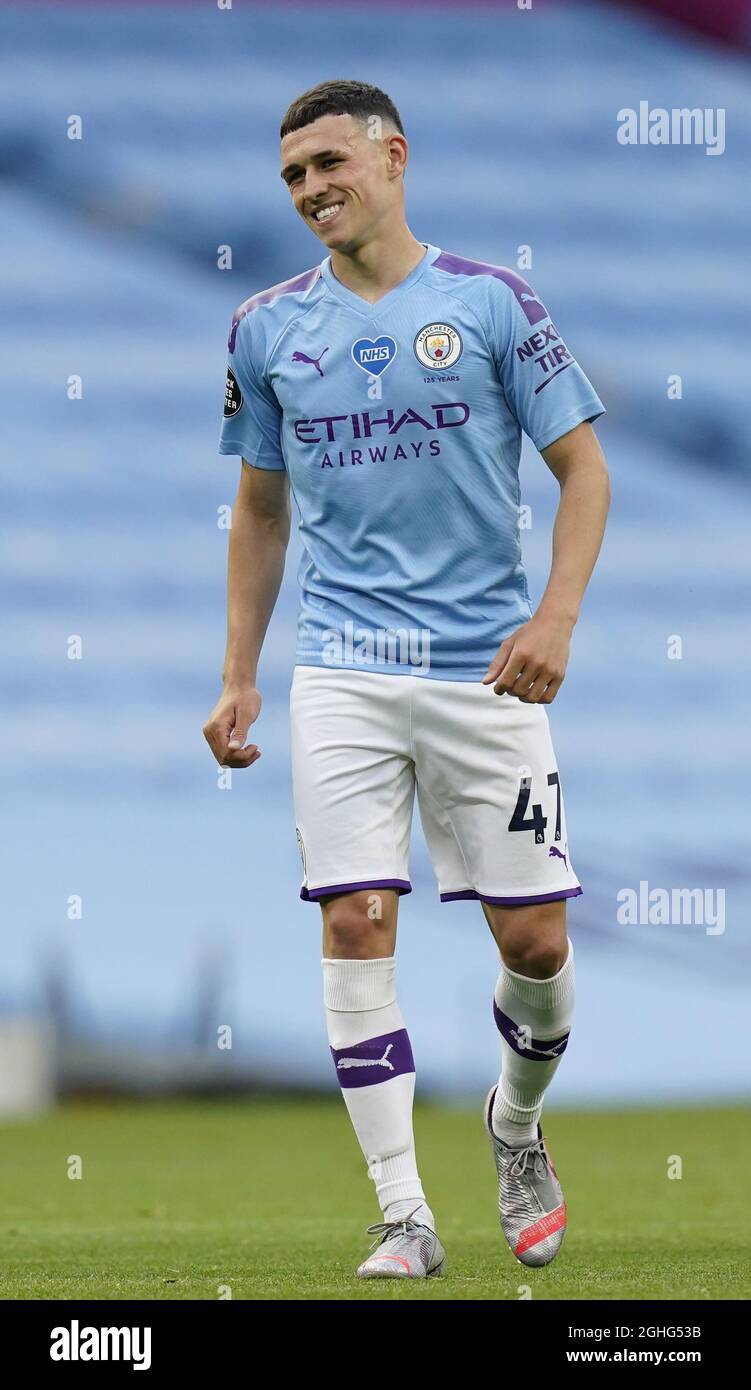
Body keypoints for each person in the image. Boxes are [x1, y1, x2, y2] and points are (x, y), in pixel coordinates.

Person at [203, 78, 610, 1280]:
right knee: (353, 918)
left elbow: (584, 473)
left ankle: (515, 1126)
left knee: (534, 946)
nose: (311, 189)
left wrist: (556, 619)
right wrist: (238, 673)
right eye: (291, 177)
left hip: (487, 672)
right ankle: (402, 1213)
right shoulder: (266, 328)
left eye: (329, 162)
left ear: (393, 156)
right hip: (342, 670)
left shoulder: (489, 306)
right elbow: (260, 508)